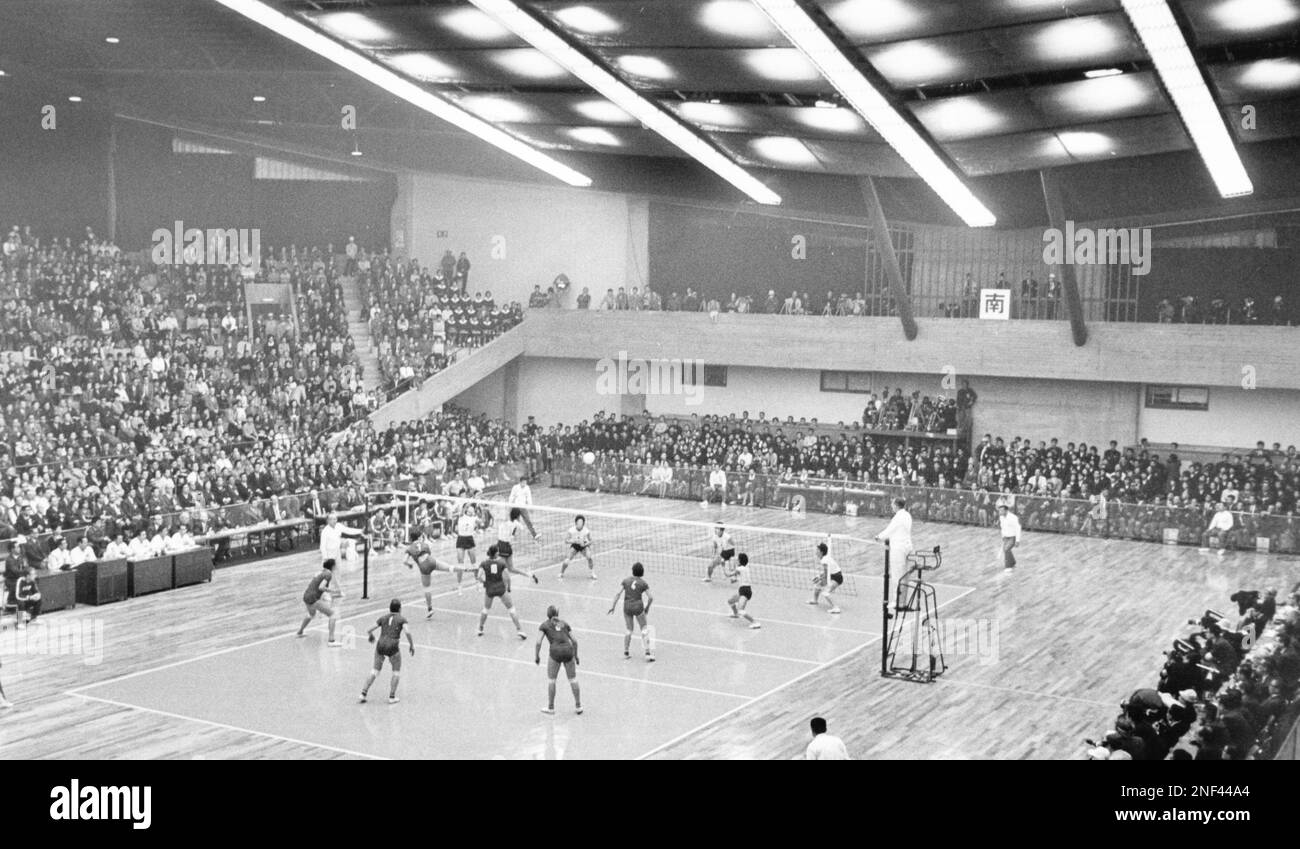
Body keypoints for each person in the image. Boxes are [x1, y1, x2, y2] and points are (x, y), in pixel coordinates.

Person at [475, 544, 536, 640]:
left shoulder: (483, 563)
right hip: (501, 589)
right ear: (495, 553)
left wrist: (484, 583)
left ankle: (480, 629)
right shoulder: (501, 563)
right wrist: (508, 588)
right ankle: (520, 630)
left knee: (486, 609)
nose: (499, 553)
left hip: (490, 589)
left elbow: (478, 577)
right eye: (498, 552)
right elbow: (507, 577)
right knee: (511, 609)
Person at [361, 599, 415, 704]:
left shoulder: (383, 617)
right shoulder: (402, 619)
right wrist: (411, 645)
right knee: (396, 672)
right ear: (400, 609)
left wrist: (371, 636)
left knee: (375, 671)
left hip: (380, 645)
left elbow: (369, 630)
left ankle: (363, 693)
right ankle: (392, 697)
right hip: (393, 647)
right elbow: (407, 632)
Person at [535, 604, 582, 715]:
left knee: (552, 680)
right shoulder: (563, 624)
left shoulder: (544, 625)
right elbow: (574, 641)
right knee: (573, 679)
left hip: (555, 653)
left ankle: (551, 707)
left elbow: (538, 642)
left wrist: (537, 656)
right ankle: (578, 705)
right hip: (568, 651)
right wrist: (576, 655)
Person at [608, 561, 654, 662]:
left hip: (627, 607)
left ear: (633, 571)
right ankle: (647, 653)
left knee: (629, 630)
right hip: (638, 607)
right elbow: (650, 598)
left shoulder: (626, 581)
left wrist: (613, 607)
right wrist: (647, 608)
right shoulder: (643, 583)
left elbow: (617, 594)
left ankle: (626, 652)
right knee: (644, 629)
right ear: (642, 572)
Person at [297, 558, 343, 646]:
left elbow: (315, 585)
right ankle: (331, 640)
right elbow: (321, 587)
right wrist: (332, 591)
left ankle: (300, 632)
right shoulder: (328, 574)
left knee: (311, 614)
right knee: (333, 615)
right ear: (332, 566)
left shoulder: (320, 572)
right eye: (335, 565)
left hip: (306, 596)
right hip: (313, 598)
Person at [875, 497, 913, 575]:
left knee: (897, 573)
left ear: (896, 505)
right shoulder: (907, 515)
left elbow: (889, 530)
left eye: (892, 504)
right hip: (907, 547)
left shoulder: (898, 517)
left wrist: (879, 537)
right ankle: (903, 587)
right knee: (905, 573)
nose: (891, 506)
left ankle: (897, 587)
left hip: (899, 549)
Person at [726, 553, 761, 629]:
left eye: (738, 559)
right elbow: (736, 578)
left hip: (745, 591)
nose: (737, 560)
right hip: (743, 590)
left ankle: (755, 622)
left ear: (740, 561)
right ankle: (735, 614)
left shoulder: (740, 569)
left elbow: (728, 574)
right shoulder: (745, 567)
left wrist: (724, 566)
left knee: (740, 610)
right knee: (730, 601)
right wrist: (734, 579)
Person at [807, 541, 842, 614]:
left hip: (837, 577)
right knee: (818, 585)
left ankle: (836, 608)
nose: (816, 551)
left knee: (825, 592)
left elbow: (826, 573)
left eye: (817, 550)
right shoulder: (825, 558)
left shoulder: (824, 560)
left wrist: (823, 581)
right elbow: (828, 571)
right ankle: (815, 600)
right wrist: (819, 577)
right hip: (833, 575)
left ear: (821, 552)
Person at [452, 504, 479, 593]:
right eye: (469, 509)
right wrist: (466, 505)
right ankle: (459, 586)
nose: (471, 511)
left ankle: (477, 582)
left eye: (472, 510)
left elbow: (481, 522)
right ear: (467, 510)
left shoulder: (474, 518)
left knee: (474, 563)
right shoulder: (461, 516)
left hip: (470, 539)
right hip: (461, 539)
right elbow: (461, 510)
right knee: (460, 565)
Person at [559, 514, 596, 580]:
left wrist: (585, 544)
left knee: (589, 557)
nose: (580, 524)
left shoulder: (586, 531)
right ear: (576, 523)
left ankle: (592, 573)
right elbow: (566, 541)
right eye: (578, 522)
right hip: (575, 545)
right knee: (567, 560)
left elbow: (591, 541)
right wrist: (574, 541)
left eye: (581, 522)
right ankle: (561, 573)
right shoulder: (571, 530)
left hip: (583, 545)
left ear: (583, 523)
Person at [508, 475, 539, 540]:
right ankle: (512, 535)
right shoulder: (515, 487)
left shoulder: (527, 488)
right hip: (516, 507)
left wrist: (530, 507)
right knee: (515, 522)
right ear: (520, 482)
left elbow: (529, 498)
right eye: (523, 482)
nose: (524, 484)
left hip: (523, 507)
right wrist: (510, 505)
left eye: (525, 482)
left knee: (528, 521)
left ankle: (535, 535)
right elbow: (511, 497)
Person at [15, 564, 42, 629]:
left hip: (29, 598)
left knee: (39, 599)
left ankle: (33, 618)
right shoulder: (20, 581)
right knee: (21, 603)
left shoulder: (33, 581)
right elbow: (18, 596)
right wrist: (29, 597)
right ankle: (20, 622)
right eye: (33, 574)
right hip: (20, 599)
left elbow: (36, 591)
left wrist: (37, 595)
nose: (35, 575)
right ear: (27, 576)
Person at [997, 503, 1021, 571]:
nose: (1000, 512)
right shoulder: (1001, 517)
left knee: (1006, 549)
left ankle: (1008, 567)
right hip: (1006, 537)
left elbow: (1018, 528)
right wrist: (1003, 536)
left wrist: (1017, 540)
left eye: (1001, 511)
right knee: (1007, 550)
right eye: (999, 511)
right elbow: (1002, 527)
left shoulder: (1013, 517)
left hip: (1013, 537)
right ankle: (1013, 562)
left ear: (1006, 511)